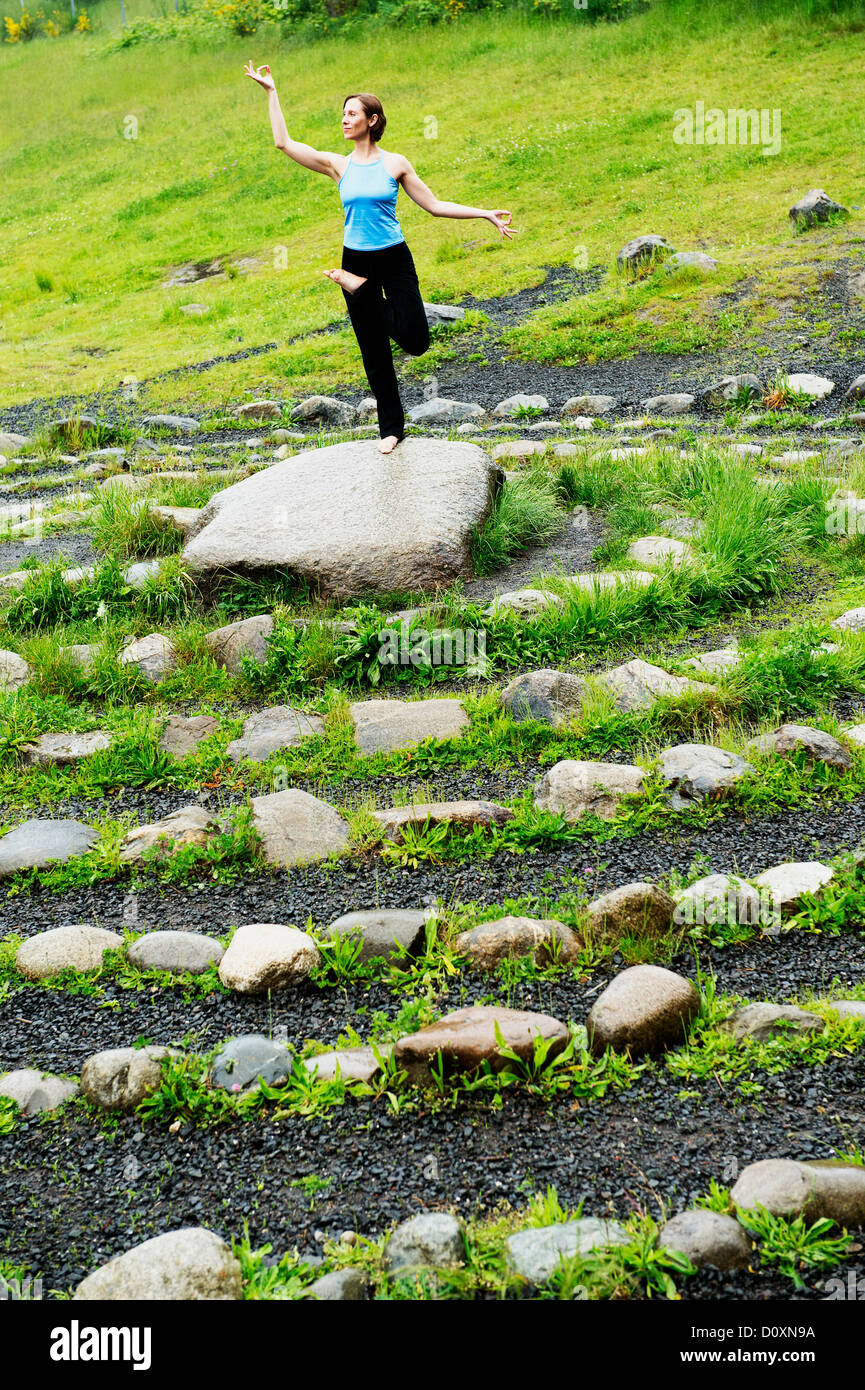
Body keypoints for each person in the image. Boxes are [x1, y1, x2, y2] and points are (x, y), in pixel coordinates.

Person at [245, 63, 516, 453]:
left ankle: (361, 290)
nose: (344, 119)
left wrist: (485, 213)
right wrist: (271, 92)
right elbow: (284, 144)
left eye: (352, 113)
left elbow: (435, 205)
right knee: (374, 351)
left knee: (416, 340)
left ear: (372, 120)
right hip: (355, 257)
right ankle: (391, 430)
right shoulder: (338, 165)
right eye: (343, 113)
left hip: (394, 258)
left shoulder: (395, 163)